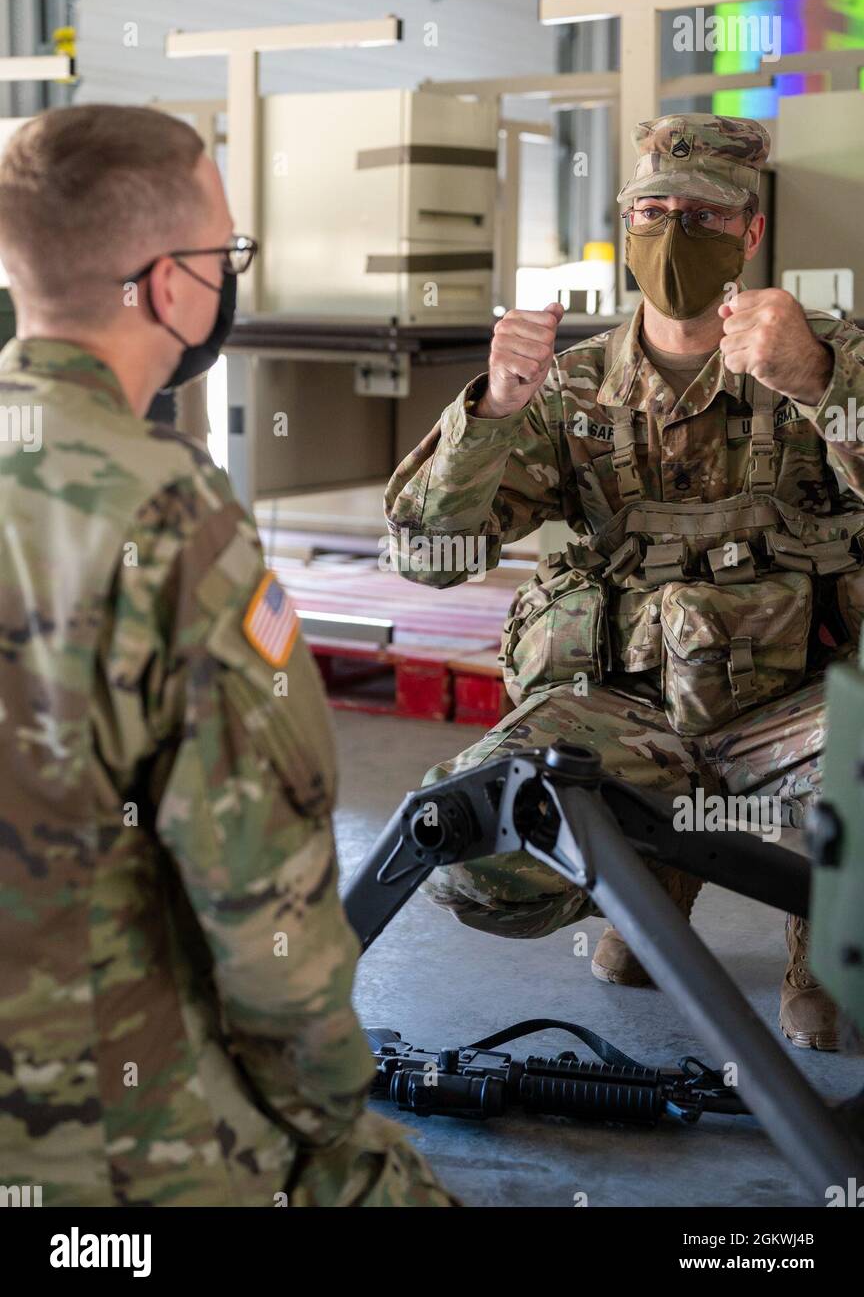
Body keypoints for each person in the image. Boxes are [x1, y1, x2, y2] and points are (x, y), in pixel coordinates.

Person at [0, 103, 456, 1206]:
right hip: (90, 1138)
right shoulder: (173, 521)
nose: (227, 276)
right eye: (226, 254)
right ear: (169, 286)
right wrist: (333, 1114)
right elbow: (269, 911)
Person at [385, 113, 864, 1052]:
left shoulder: (829, 354)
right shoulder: (566, 388)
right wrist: (489, 413)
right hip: (630, 707)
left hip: (807, 707)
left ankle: (824, 934)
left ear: (751, 233)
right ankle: (655, 878)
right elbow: (425, 555)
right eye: (652, 210)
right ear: (625, 222)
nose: (673, 231)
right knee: (474, 847)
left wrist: (816, 380)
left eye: (704, 215)